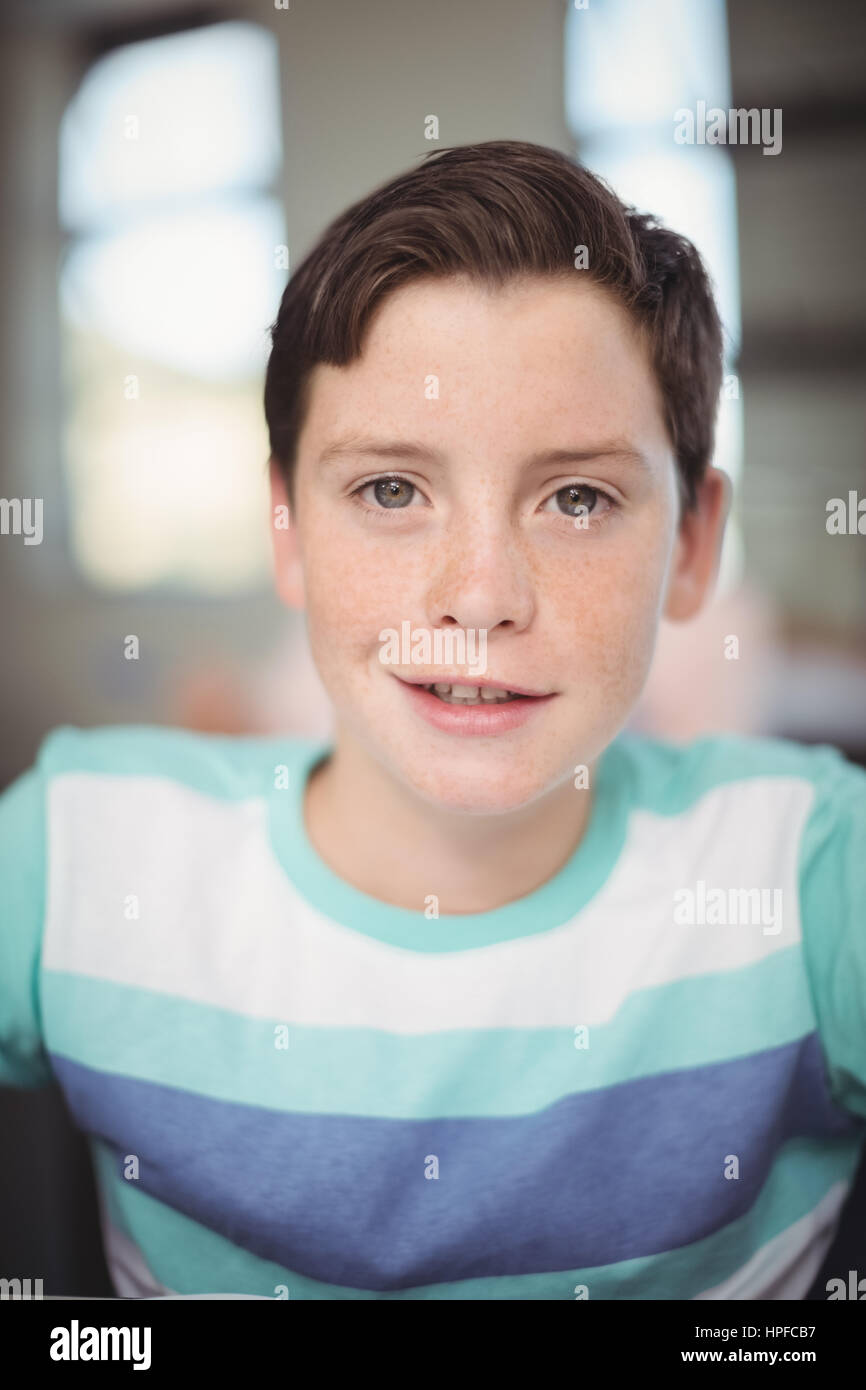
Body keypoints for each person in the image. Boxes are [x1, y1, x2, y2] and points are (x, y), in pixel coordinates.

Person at [2, 141, 864, 1300]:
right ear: (288, 532)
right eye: (390, 490)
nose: (479, 596)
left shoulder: (811, 879)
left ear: (693, 545)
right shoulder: (80, 849)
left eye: (576, 498)